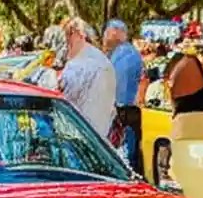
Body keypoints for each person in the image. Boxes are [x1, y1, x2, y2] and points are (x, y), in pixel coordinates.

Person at [59, 17, 118, 137]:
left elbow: (63, 98)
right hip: (99, 139)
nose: (66, 43)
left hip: (76, 135)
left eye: (67, 36)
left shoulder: (78, 65)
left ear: (78, 35)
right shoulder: (104, 62)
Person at [105, 20, 145, 172]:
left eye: (108, 33)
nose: (105, 38)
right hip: (131, 110)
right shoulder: (132, 53)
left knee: (124, 152)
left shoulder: (121, 55)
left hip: (122, 111)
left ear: (116, 33)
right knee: (130, 149)